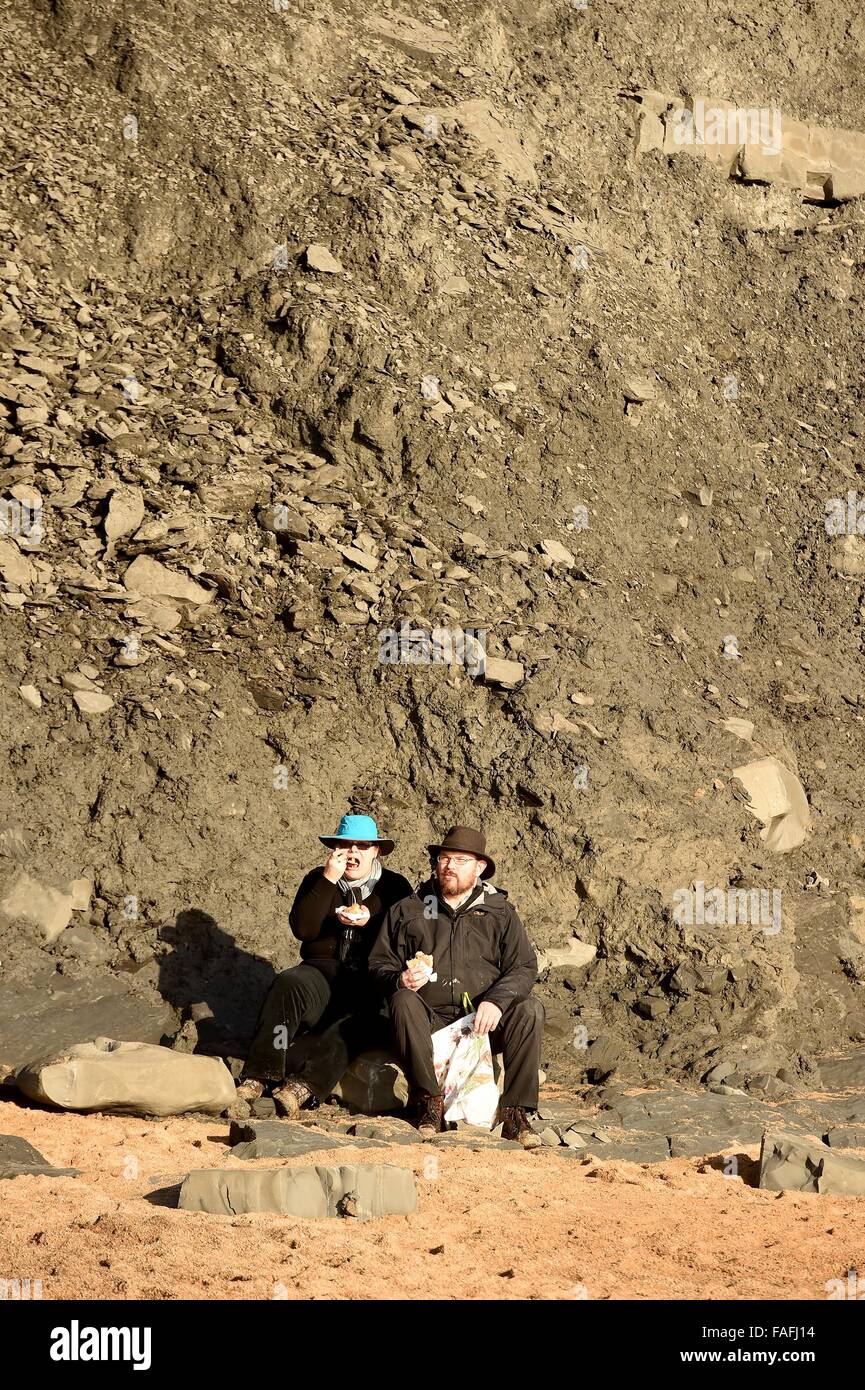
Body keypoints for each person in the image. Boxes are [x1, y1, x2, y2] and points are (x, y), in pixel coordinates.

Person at [369, 825, 544, 1149]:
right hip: (429, 1018)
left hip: (482, 1019)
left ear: (479, 868)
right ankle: (427, 1103)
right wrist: (399, 979)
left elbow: (523, 966)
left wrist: (497, 1000)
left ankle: (515, 1114)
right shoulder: (409, 909)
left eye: (461, 860)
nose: (449, 866)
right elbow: (379, 963)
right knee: (403, 1000)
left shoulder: (499, 911)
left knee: (529, 1009)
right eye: (444, 858)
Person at [236, 814, 412, 1118]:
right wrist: (329, 879)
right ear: (334, 850)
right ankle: (261, 1074)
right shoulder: (319, 878)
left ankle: (302, 1088)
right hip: (321, 974)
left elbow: (409, 935)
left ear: (376, 851)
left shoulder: (395, 887)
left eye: (361, 846)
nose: (353, 853)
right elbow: (303, 929)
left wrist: (371, 918)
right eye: (345, 845)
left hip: (371, 982)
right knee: (289, 982)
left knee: (361, 1022)